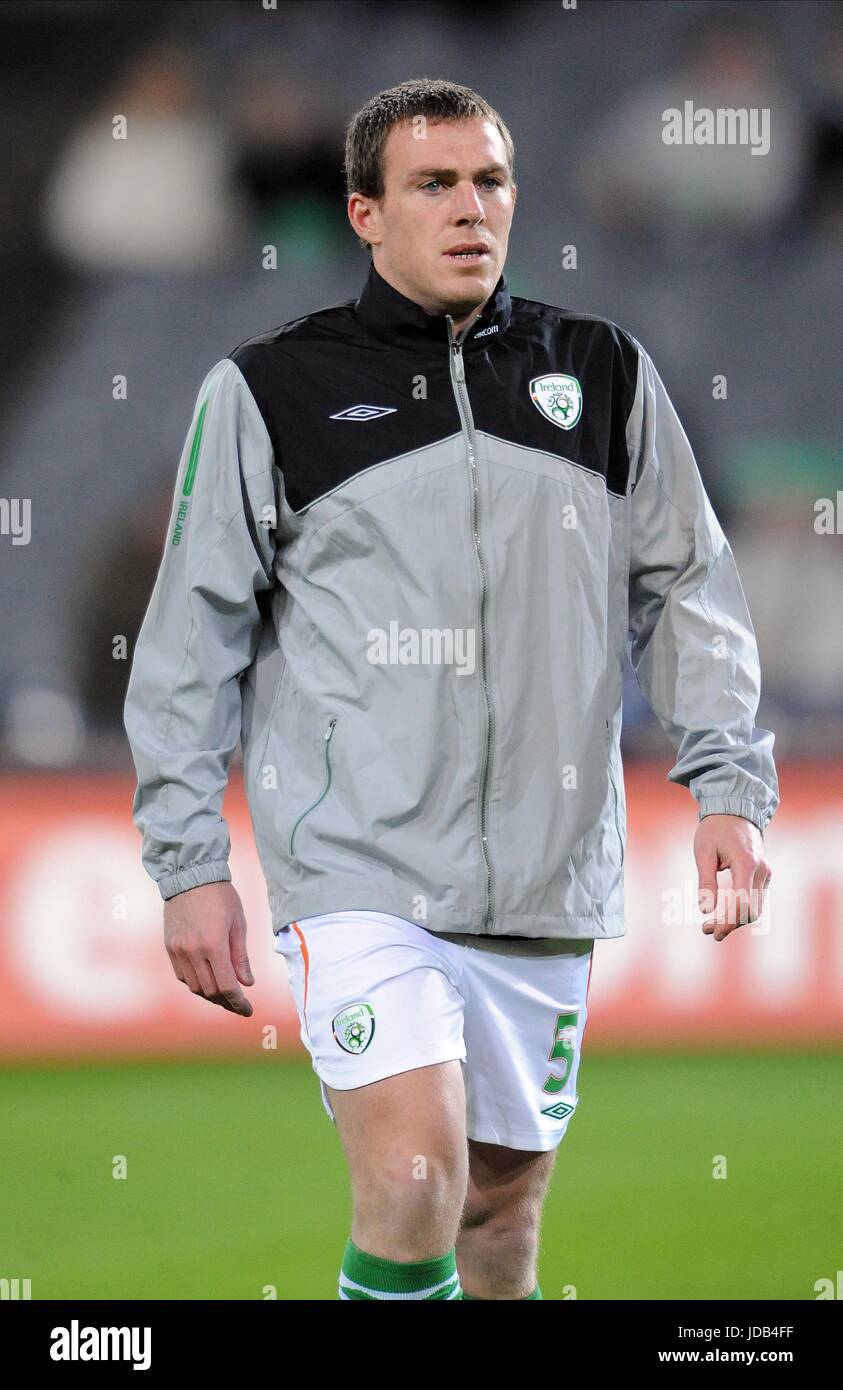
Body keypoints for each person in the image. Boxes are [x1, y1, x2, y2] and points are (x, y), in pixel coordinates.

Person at [123, 78, 778, 1301]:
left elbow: (690, 586)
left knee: (496, 1215)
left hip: (547, 874)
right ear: (366, 212)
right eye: (435, 184)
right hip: (359, 870)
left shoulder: (605, 373)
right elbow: (188, 639)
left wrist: (729, 784)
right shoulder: (272, 389)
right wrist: (188, 861)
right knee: (416, 1181)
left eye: (491, 180)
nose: (472, 207)